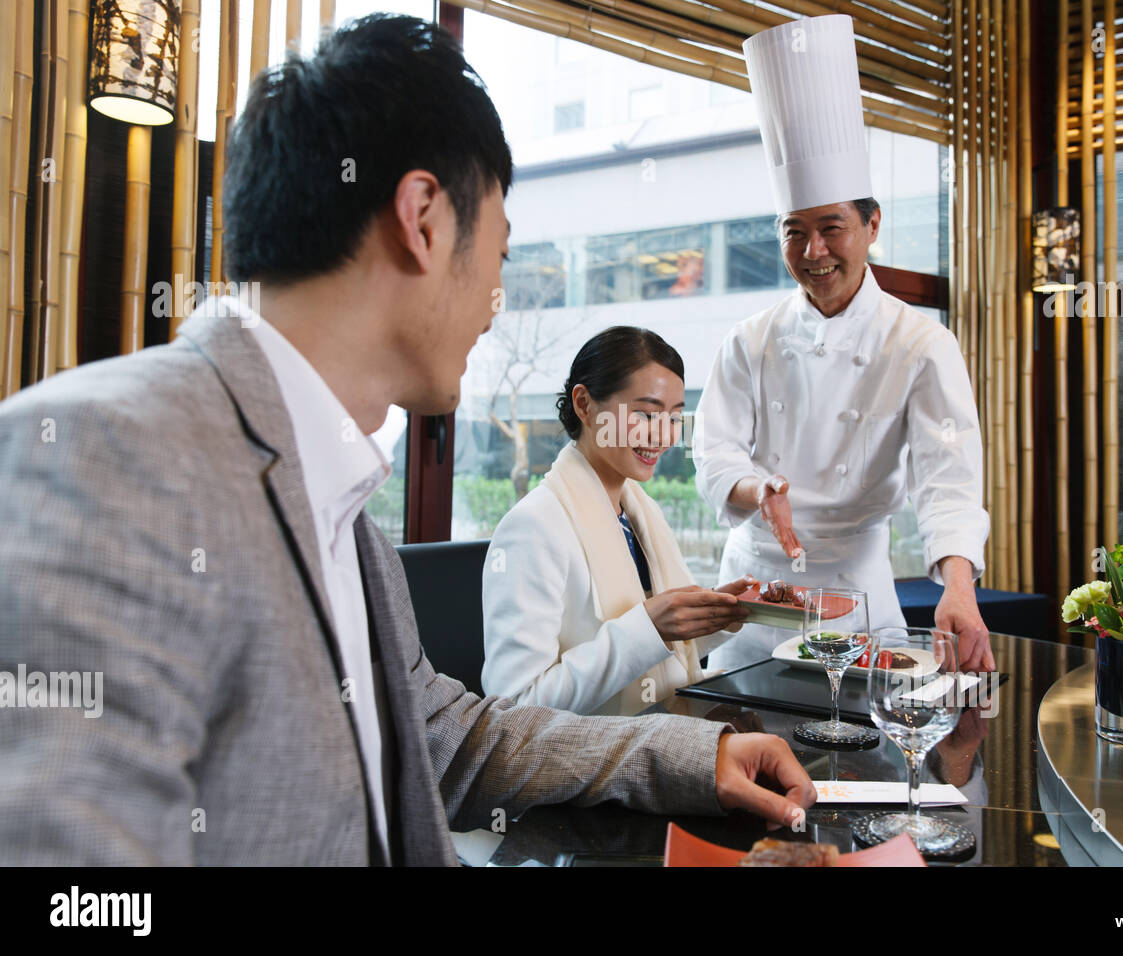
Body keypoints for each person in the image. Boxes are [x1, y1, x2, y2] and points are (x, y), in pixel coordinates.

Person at [0, 14, 815, 866]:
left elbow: (451, 742)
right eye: (499, 255)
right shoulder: (99, 458)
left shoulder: (345, 512)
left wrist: (696, 758)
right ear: (423, 219)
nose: (496, 298)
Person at [692, 15, 994, 674]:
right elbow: (712, 452)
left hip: (858, 598)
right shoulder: (749, 341)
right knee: (742, 746)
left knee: (863, 757)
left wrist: (960, 588)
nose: (813, 251)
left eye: (832, 227)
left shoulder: (920, 343)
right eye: (793, 232)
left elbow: (948, 480)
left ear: (872, 223)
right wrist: (755, 491)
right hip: (753, 598)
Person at [481, 327, 751, 716]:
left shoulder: (639, 512)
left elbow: (655, 654)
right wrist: (649, 627)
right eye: (645, 414)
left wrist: (715, 612)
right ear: (585, 404)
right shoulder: (533, 527)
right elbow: (515, 710)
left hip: (658, 737)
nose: (664, 436)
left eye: (675, 418)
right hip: (591, 765)